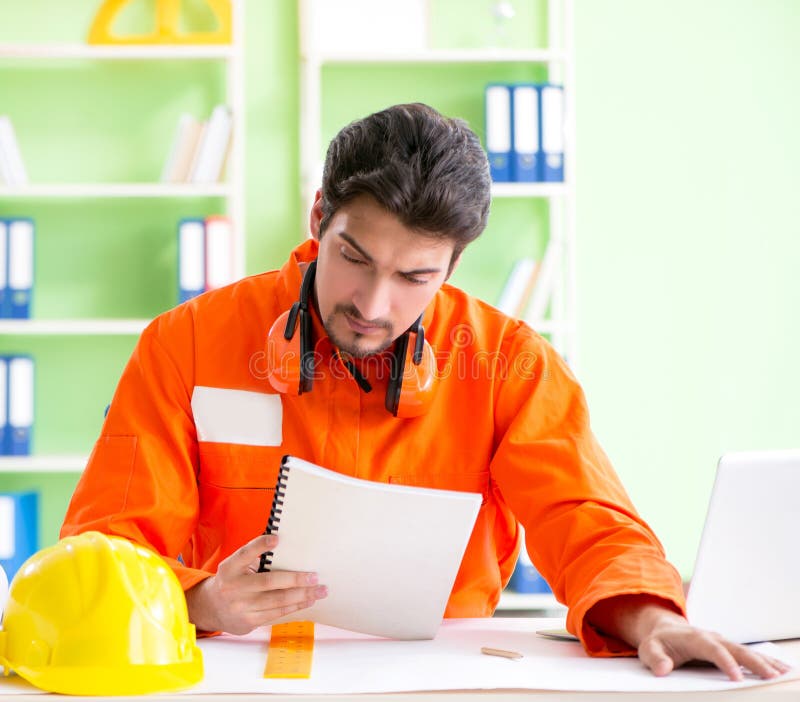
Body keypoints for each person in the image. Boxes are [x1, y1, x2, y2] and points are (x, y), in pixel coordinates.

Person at [62, 103, 786, 681]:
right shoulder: (185, 342)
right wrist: (202, 599)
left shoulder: (510, 361)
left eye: (415, 278)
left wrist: (654, 618)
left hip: (443, 679)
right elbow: (103, 552)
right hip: (237, 671)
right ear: (320, 218)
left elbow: (585, 520)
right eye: (355, 258)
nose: (373, 305)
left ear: (455, 264)